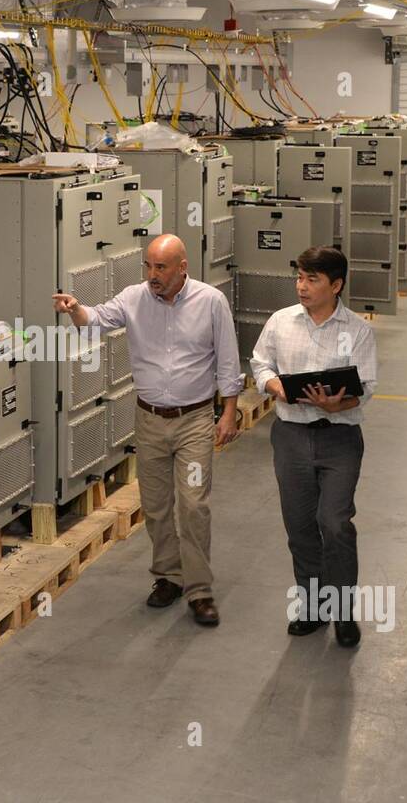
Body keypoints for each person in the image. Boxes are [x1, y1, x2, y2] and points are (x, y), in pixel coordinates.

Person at [53, 234, 242, 627]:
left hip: (194, 422)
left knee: (193, 505)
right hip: (150, 421)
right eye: (148, 266)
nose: (152, 275)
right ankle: (168, 578)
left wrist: (228, 412)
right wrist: (75, 310)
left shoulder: (210, 302)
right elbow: (96, 320)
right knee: (156, 507)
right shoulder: (134, 297)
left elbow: (227, 359)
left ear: (182, 267)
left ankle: (200, 590)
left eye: (161, 268)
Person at [250, 246, 378, 648]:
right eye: (300, 278)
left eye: (312, 280)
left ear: (336, 285)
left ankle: (342, 612)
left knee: (335, 523)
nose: (302, 287)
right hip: (290, 436)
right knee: (301, 526)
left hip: (339, 438)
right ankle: (313, 606)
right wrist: (276, 387)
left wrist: (335, 403)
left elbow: (366, 388)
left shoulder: (358, 330)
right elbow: (259, 364)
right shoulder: (280, 322)